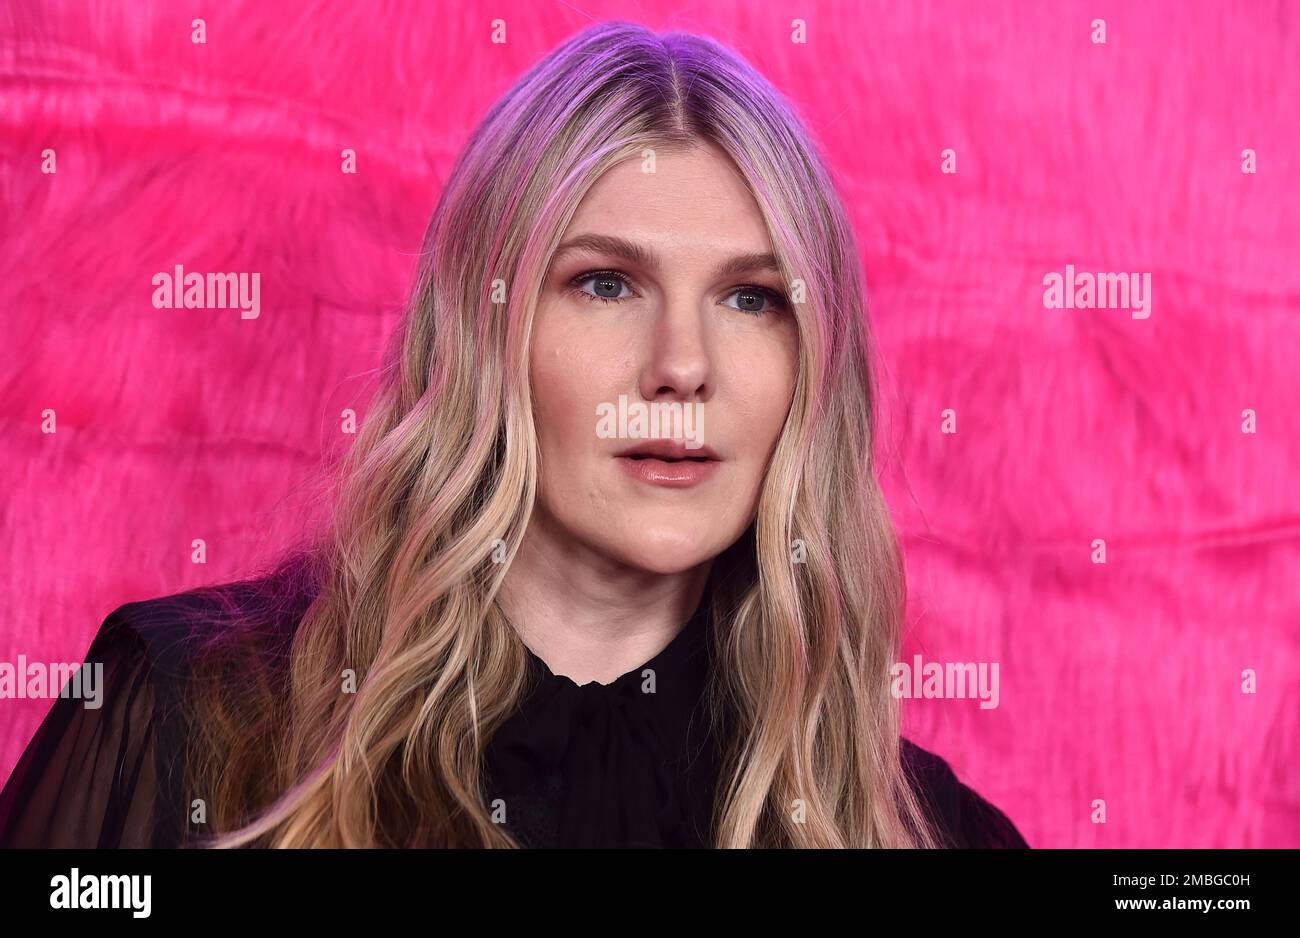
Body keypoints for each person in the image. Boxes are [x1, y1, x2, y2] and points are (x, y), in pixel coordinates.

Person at [0, 21, 1028, 849]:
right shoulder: (186, 713)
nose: (682, 365)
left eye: (752, 297)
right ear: (486, 326)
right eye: (606, 283)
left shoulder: (934, 834)